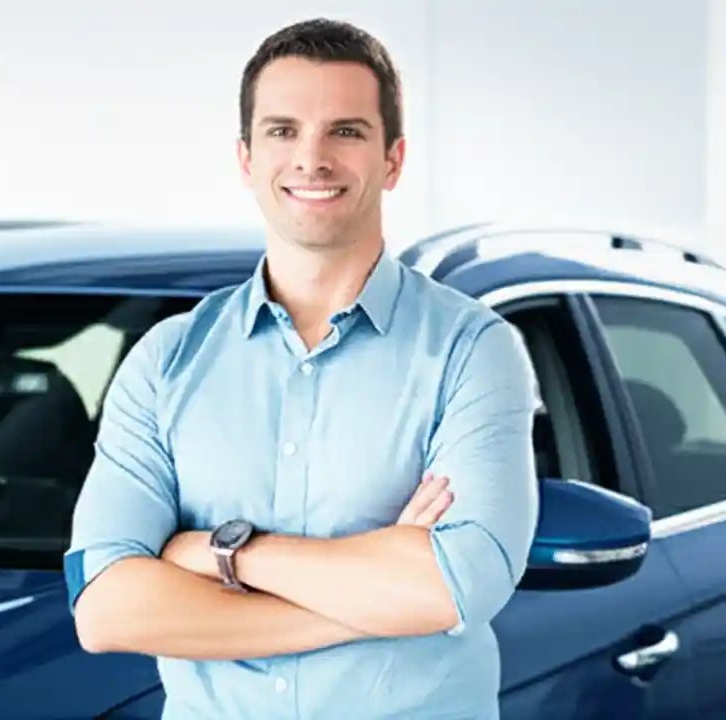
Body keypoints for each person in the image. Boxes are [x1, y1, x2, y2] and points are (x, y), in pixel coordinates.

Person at [65, 17, 539, 720]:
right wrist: (369, 599)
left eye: (345, 131)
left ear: (394, 160)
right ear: (246, 157)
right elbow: (106, 609)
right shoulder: (167, 361)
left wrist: (222, 553)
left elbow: (453, 587)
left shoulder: (472, 351)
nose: (311, 158)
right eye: (283, 131)